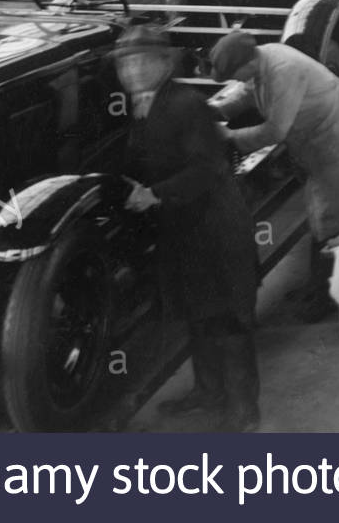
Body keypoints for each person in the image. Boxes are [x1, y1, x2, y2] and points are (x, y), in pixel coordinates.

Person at [115, 24, 260, 432]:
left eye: (143, 62)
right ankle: (209, 392)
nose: (133, 72)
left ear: (165, 63)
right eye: (126, 64)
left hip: (216, 228)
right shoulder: (146, 104)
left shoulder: (186, 104)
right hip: (186, 228)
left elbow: (208, 168)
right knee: (199, 314)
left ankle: (244, 412)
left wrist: (155, 194)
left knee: (229, 319)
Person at [209, 32, 339, 323]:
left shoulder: (282, 70)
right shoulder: (262, 59)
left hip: (338, 141)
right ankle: (318, 286)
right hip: (317, 143)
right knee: (318, 216)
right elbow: (248, 92)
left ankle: (329, 298)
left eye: (234, 73)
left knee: (333, 221)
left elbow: (275, 131)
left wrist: (230, 136)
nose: (235, 80)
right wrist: (216, 109)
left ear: (248, 62)